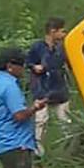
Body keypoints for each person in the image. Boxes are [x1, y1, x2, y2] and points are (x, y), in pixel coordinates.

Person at [27, 18, 71, 154]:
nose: (64, 34)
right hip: (42, 87)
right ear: (53, 31)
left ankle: (69, 148)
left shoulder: (62, 48)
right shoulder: (38, 47)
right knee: (41, 121)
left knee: (65, 120)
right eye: (62, 31)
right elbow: (28, 62)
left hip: (59, 88)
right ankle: (38, 151)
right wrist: (35, 67)